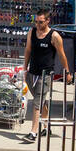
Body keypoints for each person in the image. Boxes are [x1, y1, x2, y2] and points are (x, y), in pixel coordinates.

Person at [22, 10, 72, 143]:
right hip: (32, 73)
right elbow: (28, 50)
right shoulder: (31, 33)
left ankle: (33, 132)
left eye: (41, 22)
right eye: (36, 22)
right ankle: (46, 127)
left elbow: (62, 55)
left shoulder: (54, 36)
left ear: (48, 21)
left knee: (37, 102)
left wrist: (67, 71)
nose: (38, 24)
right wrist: (24, 69)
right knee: (41, 101)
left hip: (45, 75)